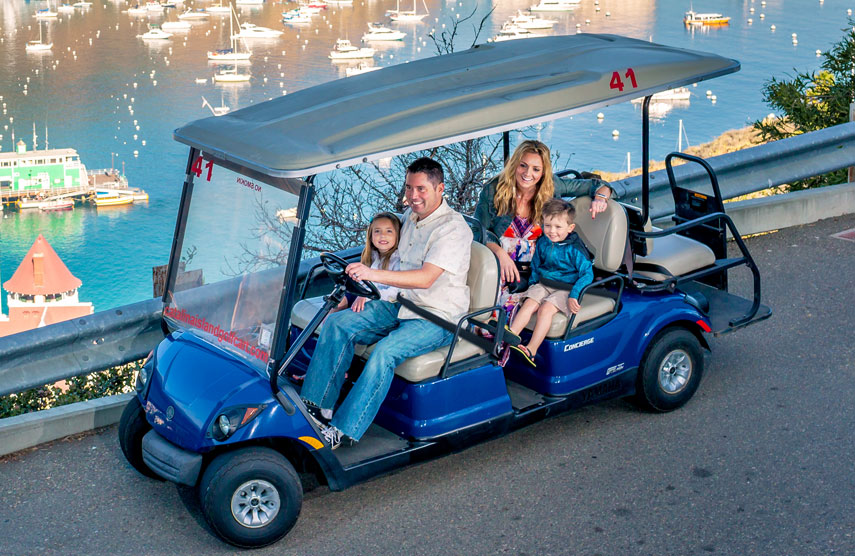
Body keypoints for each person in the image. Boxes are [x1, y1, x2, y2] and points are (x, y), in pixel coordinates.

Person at [300, 157, 473, 448]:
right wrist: (357, 288)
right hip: (398, 303)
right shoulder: (409, 219)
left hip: (435, 316)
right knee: (339, 324)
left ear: (440, 189)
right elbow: (385, 252)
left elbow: (426, 278)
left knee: (384, 352)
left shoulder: (452, 230)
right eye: (408, 188)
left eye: (421, 189)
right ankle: (318, 407)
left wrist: (370, 273)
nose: (412, 196)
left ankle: (341, 431)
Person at [473, 140, 616, 319]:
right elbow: (478, 231)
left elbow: (598, 186)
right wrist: (499, 252)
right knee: (482, 308)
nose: (527, 174)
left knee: (505, 313)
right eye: (523, 166)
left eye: (536, 169)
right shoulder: (494, 189)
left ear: (544, 172)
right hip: (500, 267)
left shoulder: (552, 186)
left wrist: (601, 198)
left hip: (537, 272)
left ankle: (507, 345)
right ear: (514, 164)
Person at [506, 199, 594, 367]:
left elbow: (587, 274)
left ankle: (531, 349)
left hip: (567, 288)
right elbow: (536, 264)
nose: (552, 231)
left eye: (558, 227)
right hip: (545, 283)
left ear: (570, 228)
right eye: (547, 226)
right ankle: (511, 335)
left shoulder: (574, 248)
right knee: (530, 302)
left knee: (545, 310)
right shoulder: (543, 242)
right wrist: (533, 284)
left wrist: (574, 294)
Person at [331, 212, 402, 314]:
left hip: (381, 301)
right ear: (371, 235)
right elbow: (361, 282)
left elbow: (395, 291)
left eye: (389, 231)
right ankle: (322, 327)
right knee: (338, 299)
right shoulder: (371, 255)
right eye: (377, 231)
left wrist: (366, 296)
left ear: (398, 235)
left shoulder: (398, 259)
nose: (382, 235)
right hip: (362, 294)